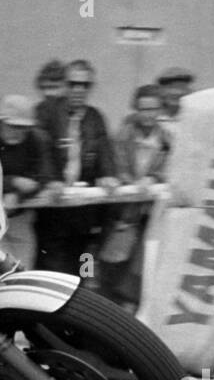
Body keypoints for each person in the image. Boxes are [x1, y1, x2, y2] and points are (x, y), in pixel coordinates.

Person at [34, 59, 119, 281]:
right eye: (73, 84)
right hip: (54, 210)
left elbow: (105, 150)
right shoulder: (47, 112)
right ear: (64, 84)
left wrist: (108, 175)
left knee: (84, 269)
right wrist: (50, 179)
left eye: (84, 85)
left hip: (84, 214)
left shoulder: (95, 117)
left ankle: (81, 308)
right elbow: (41, 150)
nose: (78, 90)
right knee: (53, 273)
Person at [104, 84, 172, 309]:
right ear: (135, 109)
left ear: (160, 110)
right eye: (143, 109)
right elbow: (117, 164)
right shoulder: (123, 135)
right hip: (126, 212)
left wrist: (153, 177)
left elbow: (171, 167)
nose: (148, 115)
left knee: (146, 267)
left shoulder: (167, 139)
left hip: (153, 214)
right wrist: (126, 180)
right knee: (117, 263)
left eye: (153, 109)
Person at [0, 95, 52, 269]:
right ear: (0, 122)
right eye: (12, 126)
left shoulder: (37, 139)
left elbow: (44, 175)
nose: (18, 132)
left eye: (23, 128)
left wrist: (16, 194)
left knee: (24, 271)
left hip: (21, 217)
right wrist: (13, 183)